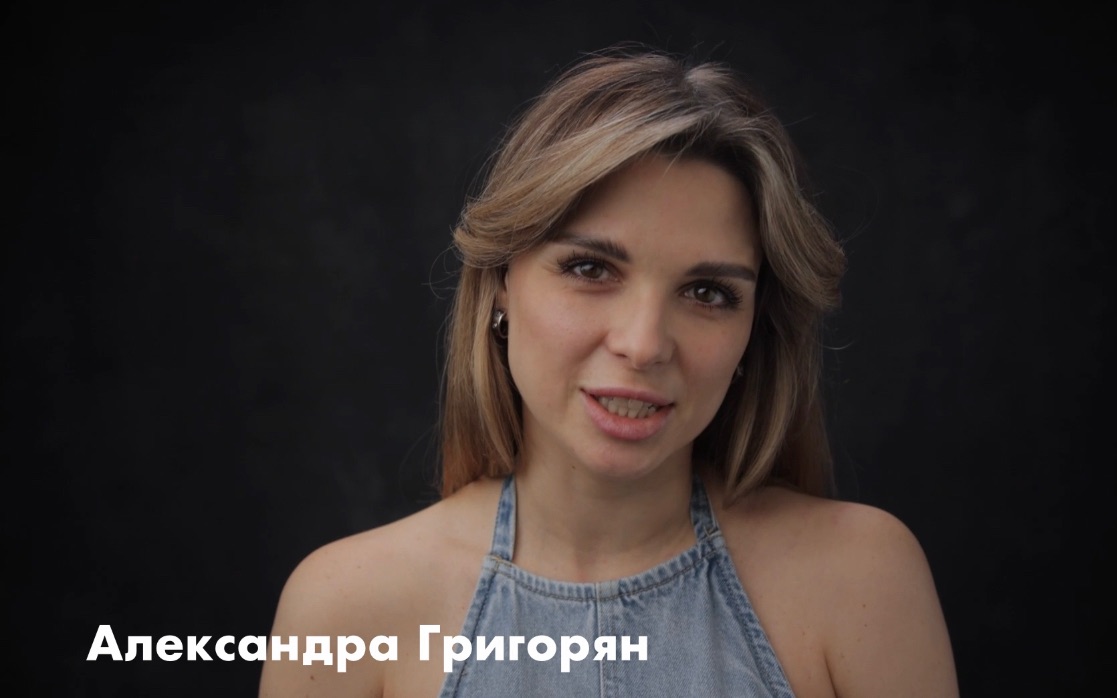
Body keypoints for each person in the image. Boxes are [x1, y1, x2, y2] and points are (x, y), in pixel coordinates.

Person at [259, 47, 958, 698]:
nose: (644, 344)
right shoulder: (344, 607)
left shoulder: (862, 580)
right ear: (500, 284)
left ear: (755, 330)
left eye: (707, 292)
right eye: (590, 269)